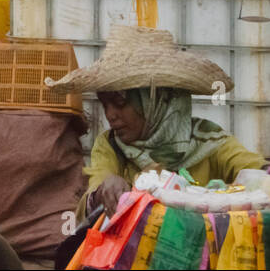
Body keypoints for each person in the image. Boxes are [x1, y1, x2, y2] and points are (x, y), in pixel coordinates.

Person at [47, 26, 267, 219]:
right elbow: (95, 188)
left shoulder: (207, 139)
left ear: (157, 101)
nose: (110, 115)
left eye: (119, 103)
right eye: (105, 105)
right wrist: (103, 190)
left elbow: (250, 166)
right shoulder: (110, 145)